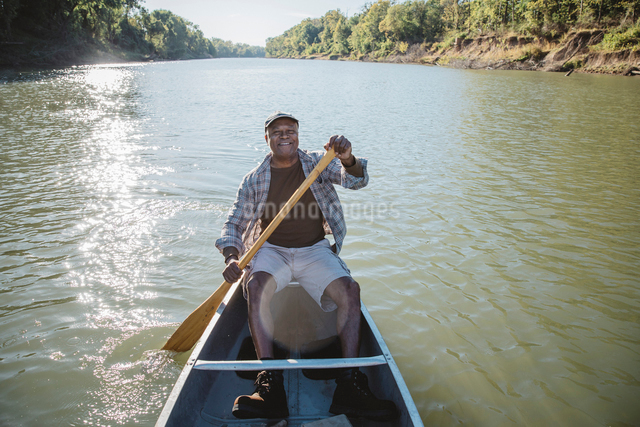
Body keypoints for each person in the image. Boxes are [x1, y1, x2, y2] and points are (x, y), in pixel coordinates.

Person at [215, 111, 398, 421]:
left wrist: (348, 156)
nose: (285, 135)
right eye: (277, 131)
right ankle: (270, 385)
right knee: (256, 285)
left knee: (350, 290)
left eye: (291, 130)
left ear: (298, 135)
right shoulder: (255, 178)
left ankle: (349, 384)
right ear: (267, 139)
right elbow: (234, 224)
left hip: (314, 249)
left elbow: (356, 180)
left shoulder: (319, 162)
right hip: (272, 250)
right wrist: (232, 257)